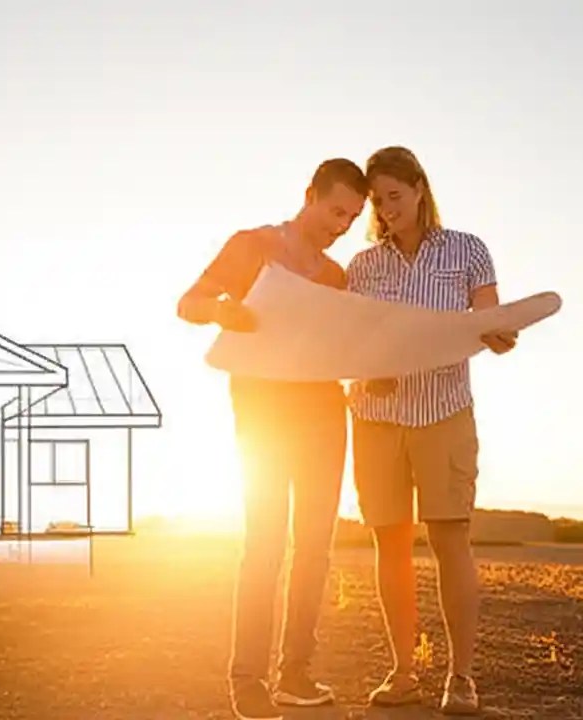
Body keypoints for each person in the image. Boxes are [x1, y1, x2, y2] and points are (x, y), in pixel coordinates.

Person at [177, 158, 368, 720]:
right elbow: (187, 303)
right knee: (264, 544)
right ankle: (248, 680)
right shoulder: (251, 245)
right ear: (309, 195)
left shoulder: (336, 277)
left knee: (314, 548)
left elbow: (348, 341)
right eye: (335, 210)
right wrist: (222, 311)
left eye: (353, 218)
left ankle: (296, 675)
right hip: (261, 413)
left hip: (326, 413)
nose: (341, 225)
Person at [343, 145, 517, 715]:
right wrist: (372, 368)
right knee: (389, 543)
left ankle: (461, 679)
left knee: (449, 541)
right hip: (376, 417)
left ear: (420, 188)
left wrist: (498, 334)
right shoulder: (363, 267)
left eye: (396, 196)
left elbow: (488, 320)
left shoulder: (468, 251)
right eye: (378, 201)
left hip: (444, 412)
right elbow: (348, 341)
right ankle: (402, 673)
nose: (388, 209)